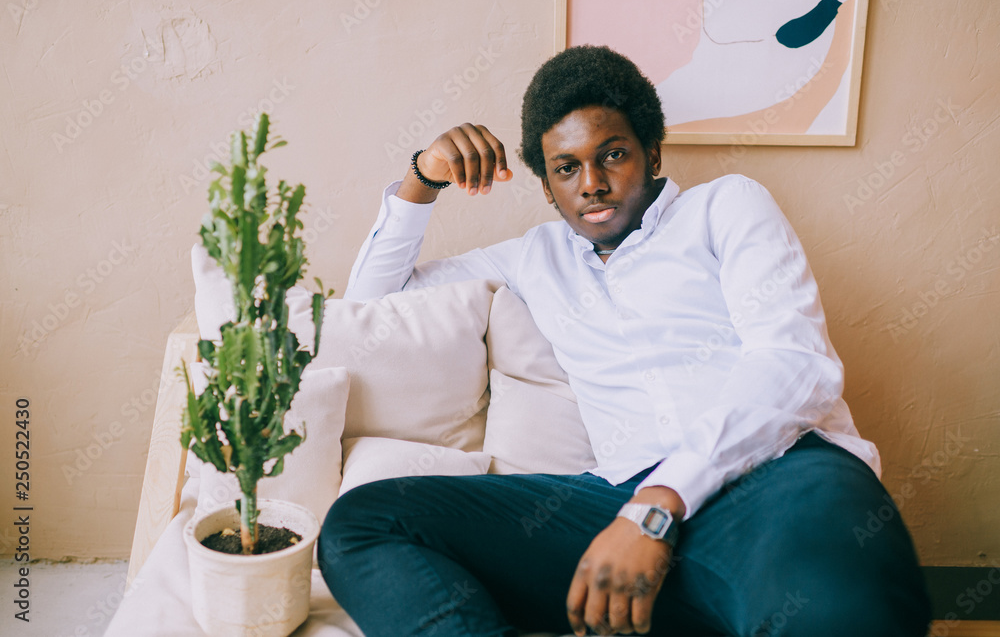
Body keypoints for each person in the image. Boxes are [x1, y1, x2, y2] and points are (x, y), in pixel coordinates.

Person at [318, 45, 930, 637]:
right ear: (547, 185)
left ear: (652, 153)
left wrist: (658, 505)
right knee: (365, 522)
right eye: (566, 168)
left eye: (612, 155)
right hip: (610, 507)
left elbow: (792, 363)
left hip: (775, 481)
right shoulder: (534, 258)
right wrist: (423, 177)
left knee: (844, 614)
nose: (592, 183)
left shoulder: (725, 206)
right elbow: (371, 310)